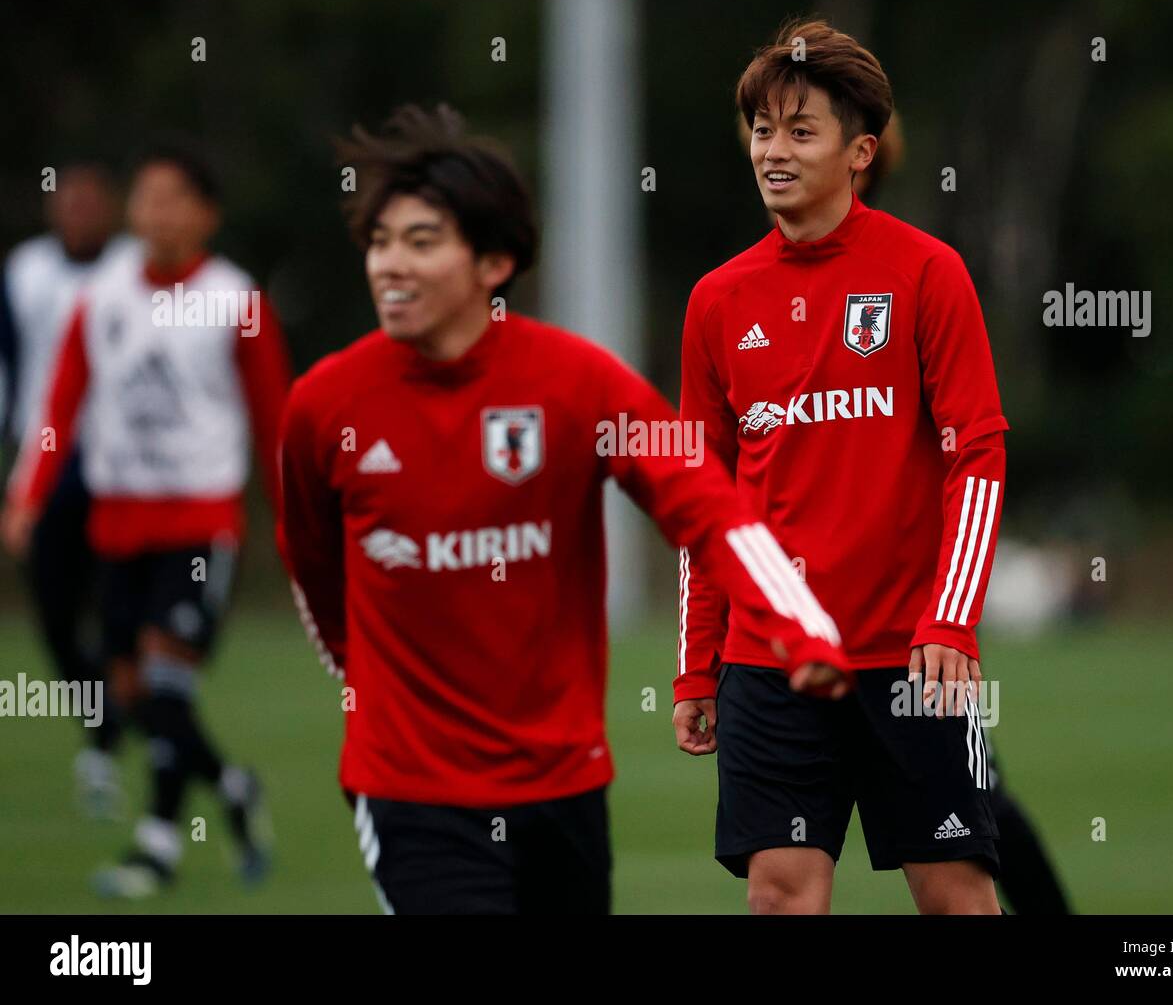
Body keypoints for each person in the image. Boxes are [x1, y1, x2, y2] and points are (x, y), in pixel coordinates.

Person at [276, 103, 852, 915]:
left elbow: (707, 507)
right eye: (379, 242)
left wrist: (799, 626)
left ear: (494, 261)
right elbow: (309, 555)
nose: (390, 267)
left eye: (422, 242)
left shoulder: (578, 385)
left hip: (562, 781)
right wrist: (359, 670)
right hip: (411, 786)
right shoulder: (323, 405)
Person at [674, 19, 1010, 914]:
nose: (773, 151)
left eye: (800, 130)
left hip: (913, 659)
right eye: (761, 131)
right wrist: (696, 661)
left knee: (957, 899)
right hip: (769, 661)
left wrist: (949, 620)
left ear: (861, 151)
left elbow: (976, 451)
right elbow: (700, 497)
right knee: (782, 896)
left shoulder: (927, 274)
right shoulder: (716, 300)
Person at [2, 142, 290, 898]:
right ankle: (231, 787)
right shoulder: (103, 298)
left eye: (172, 198)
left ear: (206, 214)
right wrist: (27, 494)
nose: (155, 212)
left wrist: (298, 523)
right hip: (118, 523)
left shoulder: (236, 298)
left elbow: (274, 421)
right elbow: (60, 405)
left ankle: (157, 845)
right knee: (131, 693)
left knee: (166, 686)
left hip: (199, 522)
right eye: (146, 197)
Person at [0, 163, 135, 817]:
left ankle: (110, 745)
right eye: (68, 203)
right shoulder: (25, 271)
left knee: (118, 609)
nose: (79, 214)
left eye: (91, 202)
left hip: (121, 464)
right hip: (45, 458)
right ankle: (105, 717)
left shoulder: (135, 269)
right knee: (54, 614)